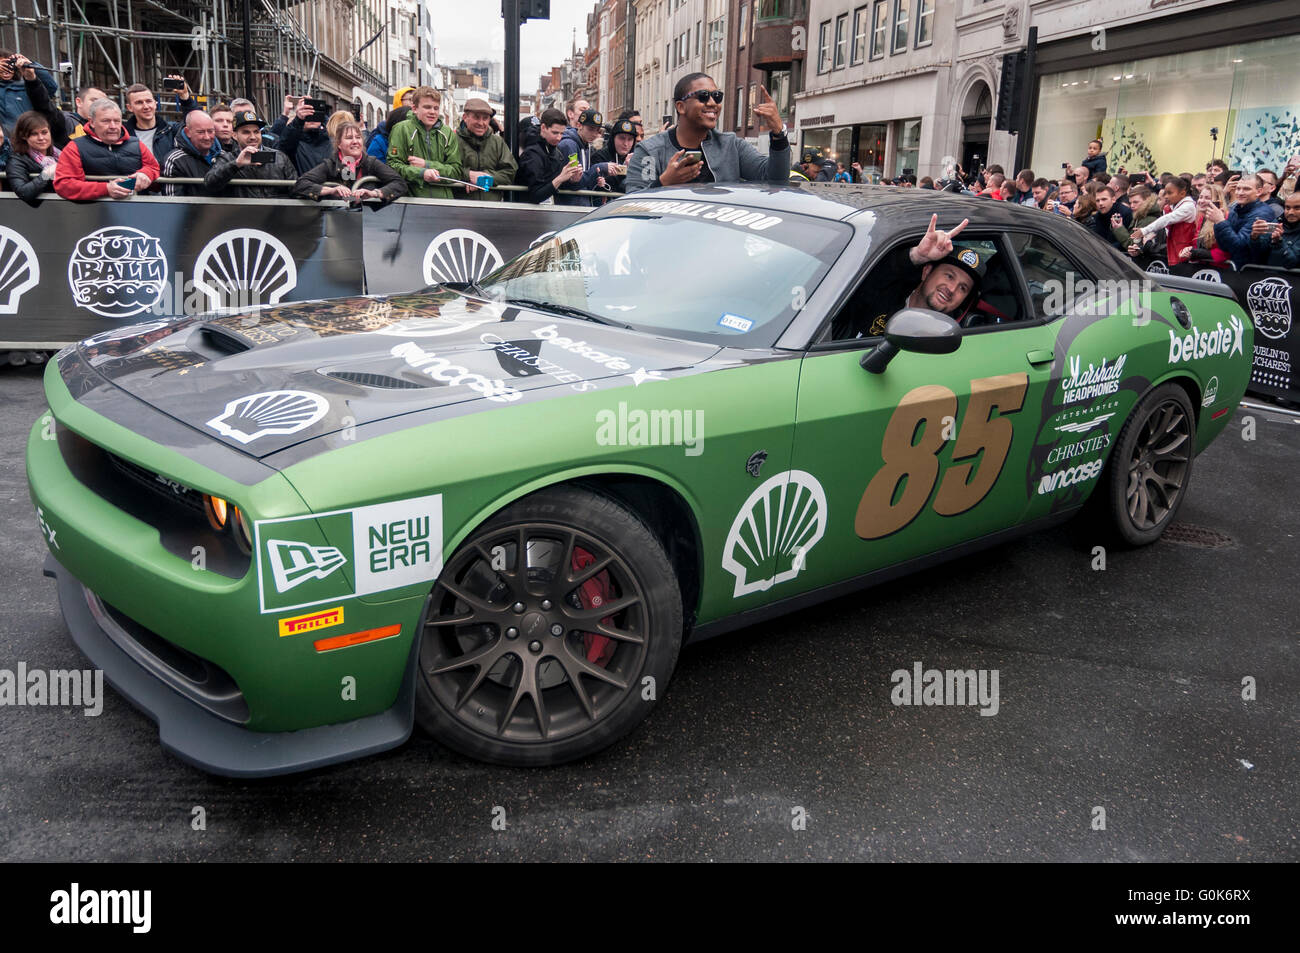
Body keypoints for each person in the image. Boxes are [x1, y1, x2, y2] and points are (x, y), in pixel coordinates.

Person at [625, 73, 790, 192]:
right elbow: (633, 204)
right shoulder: (649, 150)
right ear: (681, 107)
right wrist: (663, 183)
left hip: (718, 237)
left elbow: (776, 180)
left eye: (717, 96)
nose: (712, 103)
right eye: (703, 96)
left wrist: (779, 133)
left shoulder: (731, 145)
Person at [834, 214, 982, 339]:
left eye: (963, 288)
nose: (952, 289)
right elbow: (871, 276)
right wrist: (917, 255)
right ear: (926, 272)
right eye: (949, 276)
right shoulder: (885, 294)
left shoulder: (949, 336)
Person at [53, 97, 158, 200]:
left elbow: (154, 168)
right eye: (106, 121)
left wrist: (145, 173)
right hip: (93, 212)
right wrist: (105, 189)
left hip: (139, 209)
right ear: (92, 122)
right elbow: (64, 184)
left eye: (117, 121)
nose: (113, 126)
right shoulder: (75, 147)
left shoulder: (136, 144)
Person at [292, 120, 406, 206]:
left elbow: (400, 183)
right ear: (339, 144)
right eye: (349, 138)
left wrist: (374, 193)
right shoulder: (330, 164)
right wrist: (331, 190)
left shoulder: (372, 162)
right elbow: (301, 184)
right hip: (337, 218)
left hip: (370, 221)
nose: (355, 141)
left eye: (358, 137)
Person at [387, 86, 461, 199]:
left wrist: (427, 165)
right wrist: (421, 173)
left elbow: (456, 171)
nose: (432, 112)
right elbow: (393, 165)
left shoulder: (447, 133)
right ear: (414, 108)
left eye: (436, 108)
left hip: (443, 202)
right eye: (427, 107)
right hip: (412, 201)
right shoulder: (401, 129)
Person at [204, 109, 297, 198]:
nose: (253, 137)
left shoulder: (279, 157)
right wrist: (236, 164)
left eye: (256, 132)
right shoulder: (227, 159)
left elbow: (295, 189)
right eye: (246, 132)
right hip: (242, 213)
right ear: (234, 135)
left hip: (275, 213)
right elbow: (210, 184)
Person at [1210, 173, 1278, 267]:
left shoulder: (1263, 213)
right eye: (1238, 188)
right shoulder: (1234, 210)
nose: (1240, 193)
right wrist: (1218, 223)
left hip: (1251, 271)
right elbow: (1224, 246)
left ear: (1259, 191)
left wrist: (1220, 221)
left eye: (1246, 189)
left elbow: (1240, 246)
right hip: (1234, 266)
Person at [122, 76, 198, 161]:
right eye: (139, 103)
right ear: (129, 108)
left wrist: (185, 97)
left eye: (149, 101)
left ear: (155, 103)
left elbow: (196, 122)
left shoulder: (171, 131)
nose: (146, 106)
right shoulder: (123, 135)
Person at [517, 107, 583, 203]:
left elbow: (554, 184)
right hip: (526, 212)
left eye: (562, 133)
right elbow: (536, 194)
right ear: (543, 128)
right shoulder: (532, 153)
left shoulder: (554, 150)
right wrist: (560, 178)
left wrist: (572, 179)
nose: (559, 138)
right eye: (555, 133)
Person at [455, 98, 516, 201]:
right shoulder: (453, 140)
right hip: (461, 209)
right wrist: (468, 176)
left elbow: (510, 172)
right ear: (465, 117)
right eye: (476, 117)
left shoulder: (498, 142)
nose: (481, 123)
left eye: (485, 118)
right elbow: (445, 169)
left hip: (491, 209)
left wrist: (485, 178)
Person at [556, 107, 615, 205]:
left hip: (577, 205)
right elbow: (574, 183)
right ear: (579, 125)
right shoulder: (569, 145)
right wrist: (599, 168)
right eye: (591, 129)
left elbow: (582, 180)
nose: (594, 134)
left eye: (597, 130)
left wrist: (596, 181)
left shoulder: (584, 144)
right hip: (569, 207)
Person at [1133, 176, 1197, 266]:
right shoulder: (1168, 207)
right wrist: (1147, 238)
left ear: (1182, 193)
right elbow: (1163, 228)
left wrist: (1145, 230)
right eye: (1165, 193)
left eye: (1169, 193)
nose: (1166, 196)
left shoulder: (1188, 207)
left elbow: (1166, 220)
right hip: (1172, 251)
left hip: (1185, 253)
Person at [158, 110, 222, 195]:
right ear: (187, 132)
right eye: (201, 132)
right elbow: (173, 203)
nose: (207, 137)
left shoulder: (223, 155)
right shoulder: (174, 161)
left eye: (210, 131)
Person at [0, 48, 61, 136]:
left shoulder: (27, 86)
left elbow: (51, 87)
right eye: (3, 65)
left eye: (9, 64)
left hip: (29, 138)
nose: (6, 68)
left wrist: (30, 64)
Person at [5, 109, 61, 200]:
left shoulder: (60, 154)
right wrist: (46, 175)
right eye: (34, 134)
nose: (41, 138)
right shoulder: (16, 160)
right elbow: (23, 192)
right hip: (36, 211)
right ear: (23, 136)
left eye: (44, 132)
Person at [277, 96, 333, 174]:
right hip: (304, 185)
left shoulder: (332, 141)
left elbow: (348, 168)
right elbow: (282, 147)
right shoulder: (294, 142)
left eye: (314, 112)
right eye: (306, 113)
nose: (311, 116)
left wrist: (349, 184)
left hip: (332, 185)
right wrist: (297, 119)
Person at [1251, 192, 1300, 269]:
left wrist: (1279, 243)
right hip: (1268, 277)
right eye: (1287, 208)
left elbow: (1292, 263)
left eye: (1297, 208)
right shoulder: (1276, 223)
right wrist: (1255, 237)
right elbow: (1257, 256)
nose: (1291, 212)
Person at [591, 117, 635, 194]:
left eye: (630, 139)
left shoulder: (637, 157)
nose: (625, 144)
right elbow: (606, 186)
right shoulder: (600, 156)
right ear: (613, 138)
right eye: (622, 138)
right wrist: (625, 170)